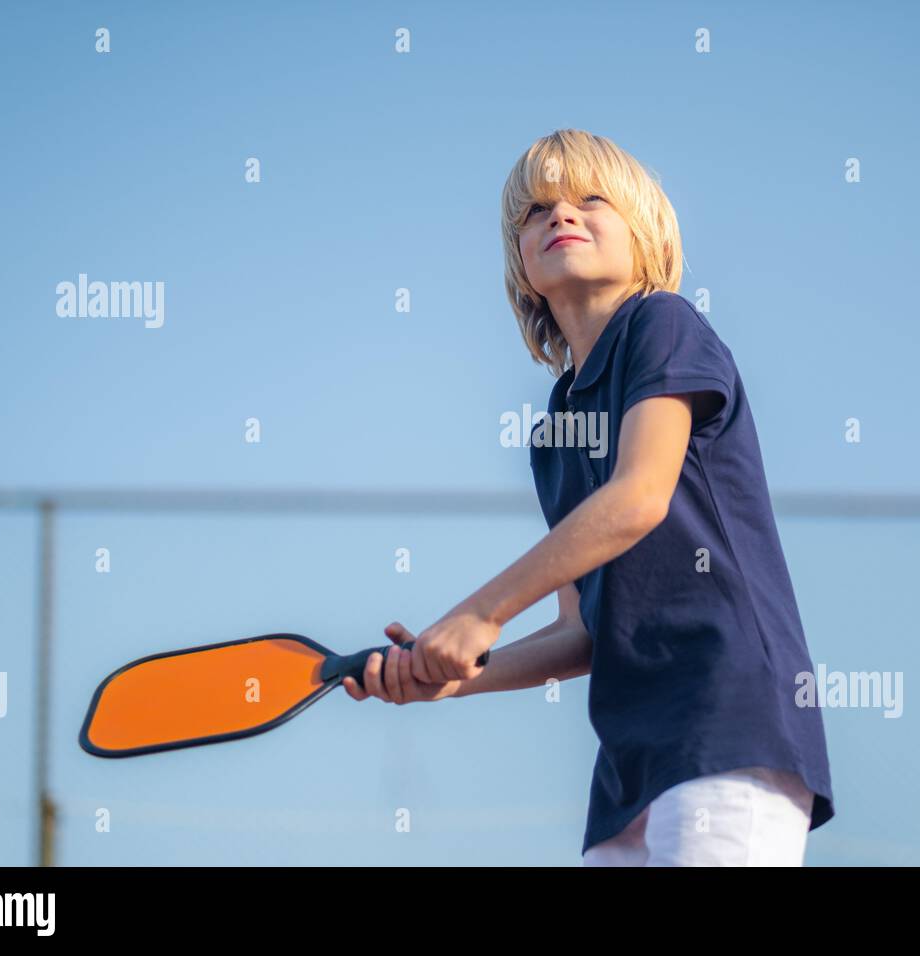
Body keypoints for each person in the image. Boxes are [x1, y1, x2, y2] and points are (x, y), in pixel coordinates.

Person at [341, 128, 835, 866]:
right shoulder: (556, 429)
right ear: (521, 263)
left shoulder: (662, 326)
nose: (560, 214)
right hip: (627, 771)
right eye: (537, 208)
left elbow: (640, 498)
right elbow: (583, 635)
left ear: (645, 236)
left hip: (727, 722)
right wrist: (453, 682)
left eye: (590, 198)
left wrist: (481, 613)